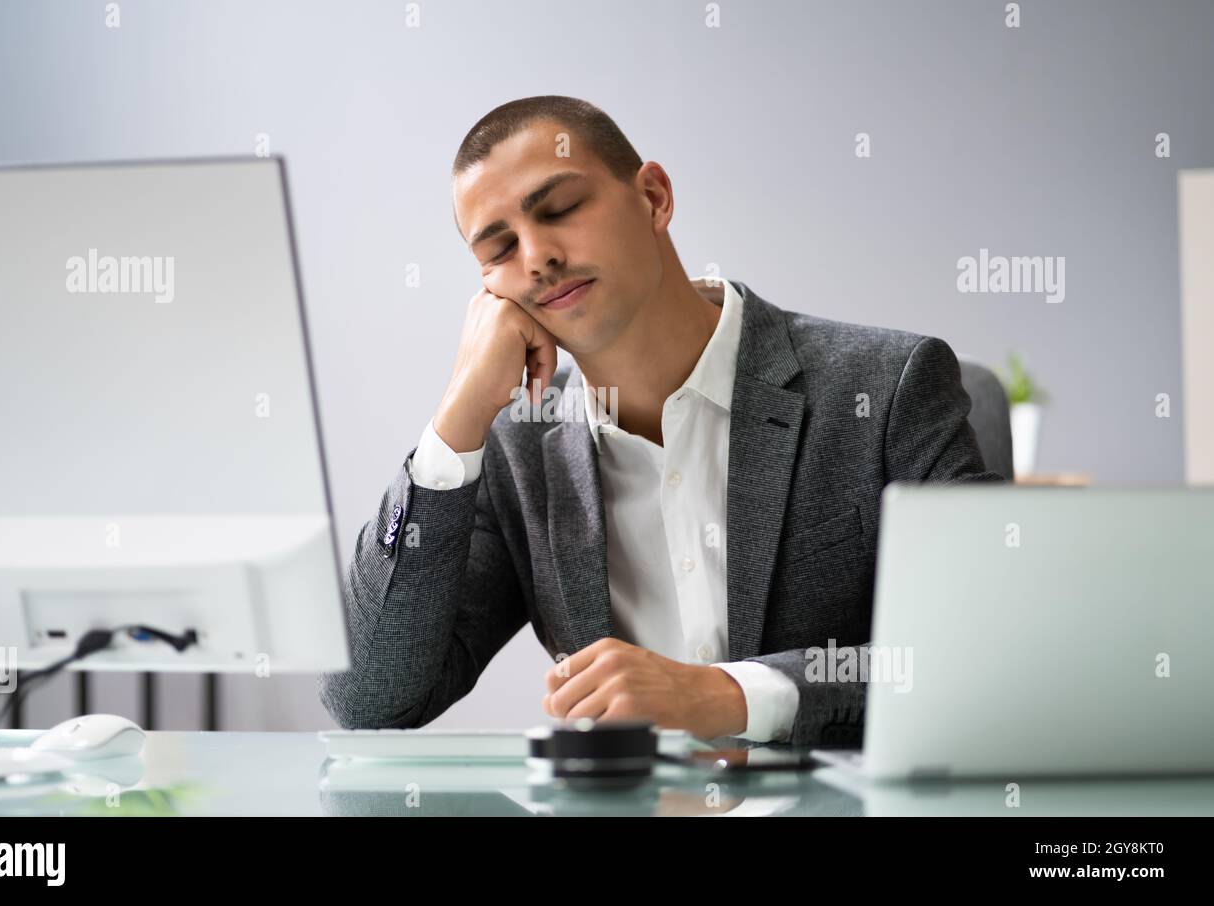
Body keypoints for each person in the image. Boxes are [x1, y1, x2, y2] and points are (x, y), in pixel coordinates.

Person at [319, 95, 1003, 746]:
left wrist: (729, 696)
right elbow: (368, 698)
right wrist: (456, 420)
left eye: (560, 208)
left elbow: (986, 653)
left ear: (653, 197)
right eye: (499, 251)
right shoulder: (514, 449)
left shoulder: (886, 387)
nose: (536, 258)